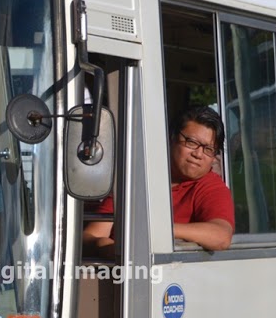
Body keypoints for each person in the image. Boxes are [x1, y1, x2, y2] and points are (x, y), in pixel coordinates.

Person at [83, 104, 234, 255]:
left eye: (208, 149)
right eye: (192, 142)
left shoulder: (210, 187)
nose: (198, 154)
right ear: (171, 138)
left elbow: (221, 237)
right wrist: (106, 246)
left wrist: (154, 230)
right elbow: (92, 235)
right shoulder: (137, 181)